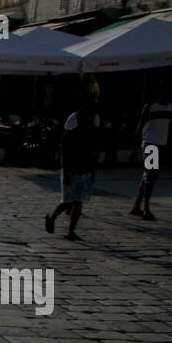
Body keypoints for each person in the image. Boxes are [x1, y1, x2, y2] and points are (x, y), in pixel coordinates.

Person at [46, 97, 100, 242]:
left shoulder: (92, 134)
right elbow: (64, 153)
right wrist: (65, 173)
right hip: (71, 170)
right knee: (68, 201)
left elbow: (94, 155)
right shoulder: (71, 134)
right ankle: (52, 218)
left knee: (78, 202)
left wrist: (93, 173)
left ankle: (71, 231)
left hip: (84, 170)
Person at [130, 84, 172, 222]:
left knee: (148, 175)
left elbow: (169, 126)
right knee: (151, 175)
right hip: (150, 144)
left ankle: (137, 205)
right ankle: (145, 208)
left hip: (161, 144)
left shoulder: (171, 107)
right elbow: (140, 125)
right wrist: (134, 147)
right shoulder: (151, 106)